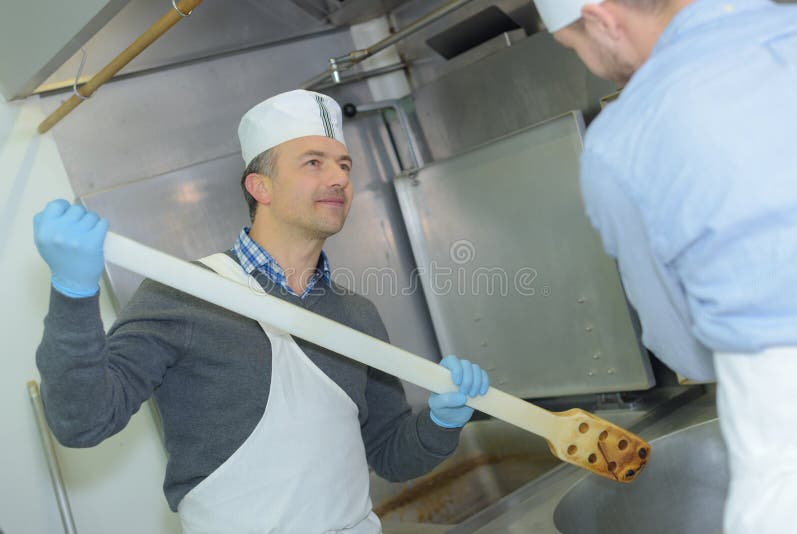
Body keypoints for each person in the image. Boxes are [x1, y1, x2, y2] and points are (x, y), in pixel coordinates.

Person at [33, 89, 491, 533]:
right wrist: (73, 294)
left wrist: (440, 420)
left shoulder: (356, 314)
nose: (339, 179)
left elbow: (391, 455)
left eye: (344, 165)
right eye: (314, 162)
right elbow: (82, 421)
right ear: (261, 187)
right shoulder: (185, 296)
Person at [530, 0, 797, 532]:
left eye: (577, 46)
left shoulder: (622, 141)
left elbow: (687, 350)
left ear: (604, 20)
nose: (588, 60)